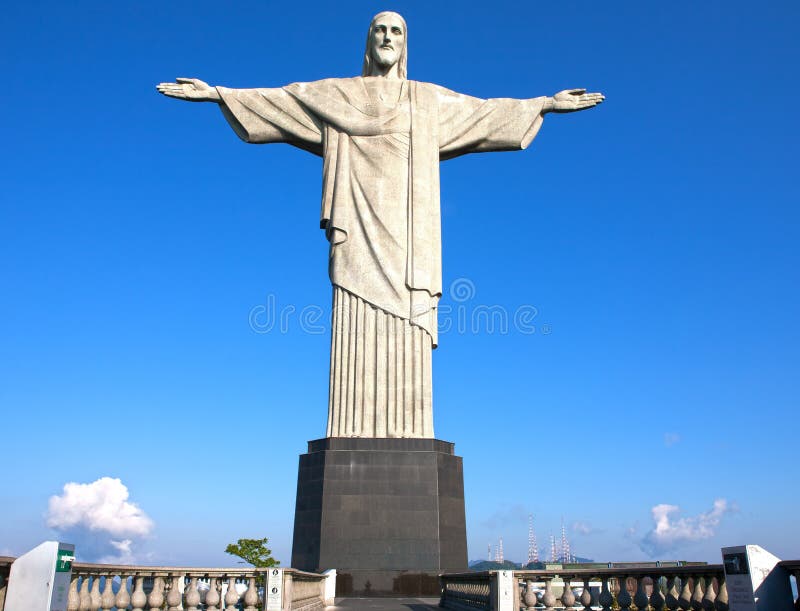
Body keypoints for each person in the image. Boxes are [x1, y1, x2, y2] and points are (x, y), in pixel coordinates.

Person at [157, 11, 604, 439]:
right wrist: (219, 93)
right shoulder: (336, 95)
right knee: (354, 308)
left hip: (410, 235)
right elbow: (282, 100)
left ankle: (409, 428)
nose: (388, 38)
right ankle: (352, 426)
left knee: (409, 321)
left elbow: (484, 113)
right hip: (356, 224)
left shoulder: (427, 101)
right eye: (380, 31)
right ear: (368, 42)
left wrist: (543, 103)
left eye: (397, 32)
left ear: (405, 44)